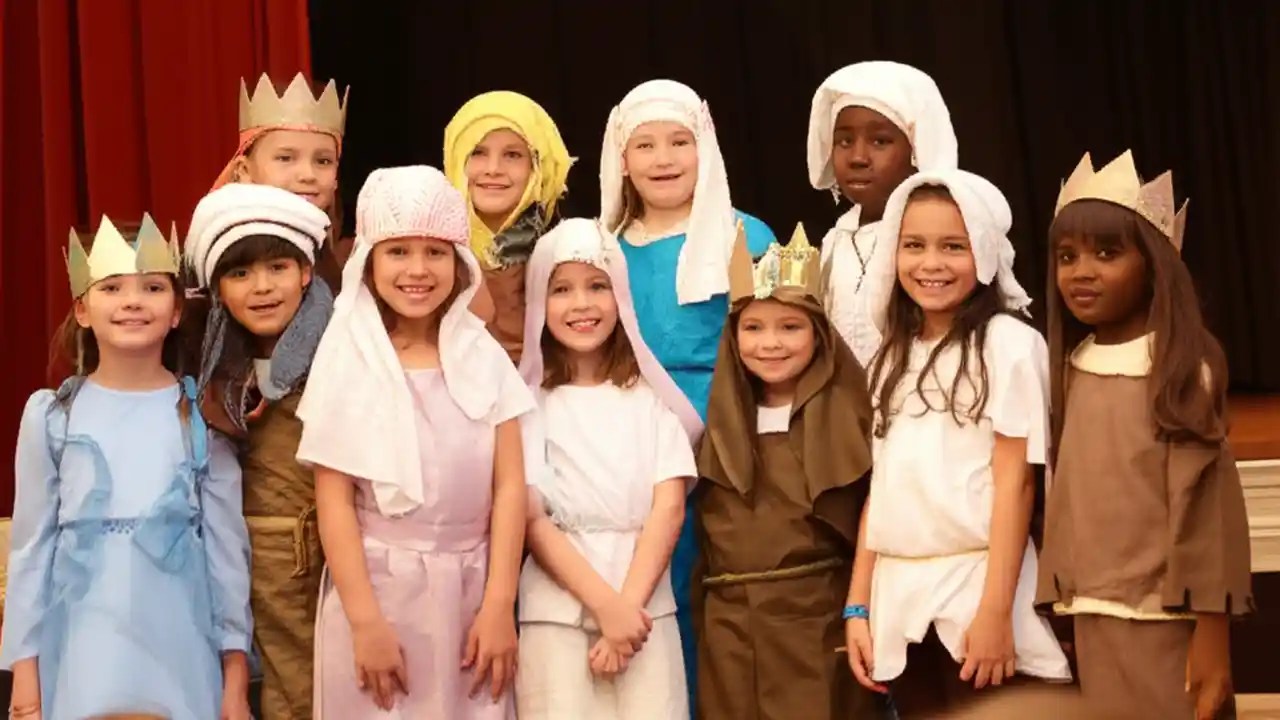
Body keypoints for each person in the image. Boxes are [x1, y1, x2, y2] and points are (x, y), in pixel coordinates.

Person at [297, 166, 533, 718]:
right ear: (370, 262)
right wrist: (364, 621)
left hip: (474, 596)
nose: (418, 270)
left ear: (459, 263)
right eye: (398, 251)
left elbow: (510, 487)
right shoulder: (347, 360)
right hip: (379, 595)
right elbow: (334, 503)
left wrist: (500, 602)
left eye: (435, 252)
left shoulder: (484, 357)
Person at [1, 217, 252, 719]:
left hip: (181, 648)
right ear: (82, 309)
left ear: (177, 310)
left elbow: (228, 554)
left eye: (153, 287)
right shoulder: (53, 417)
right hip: (79, 651)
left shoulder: (203, 417)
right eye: (112, 287)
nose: (133, 301)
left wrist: (236, 678)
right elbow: (31, 549)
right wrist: (24, 674)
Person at [844, 170, 1071, 718]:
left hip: (979, 592)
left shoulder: (1010, 344)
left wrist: (996, 613)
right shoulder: (888, 358)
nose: (931, 264)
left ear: (987, 252)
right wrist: (858, 604)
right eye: (914, 246)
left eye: (954, 246)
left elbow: (1017, 483)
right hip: (898, 601)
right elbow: (884, 488)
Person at [1038, 151, 1253, 719]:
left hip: (1166, 619)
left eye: (1107, 253)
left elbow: (1209, 517)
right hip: (1093, 616)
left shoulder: (1179, 373)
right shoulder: (1073, 366)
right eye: (1067, 256)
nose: (1082, 271)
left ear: (1154, 264)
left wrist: (1212, 633)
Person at [598, 79, 776, 696]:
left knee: (720, 588)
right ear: (622, 159)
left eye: (679, 141)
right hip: (632, 441)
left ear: (706, 148)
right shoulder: (605, 248)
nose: (664, 158)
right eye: (645, 145)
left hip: (728, 437)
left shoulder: (746, 238)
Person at [514, 217, 701, 718]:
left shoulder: (651, 401)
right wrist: (604, 607)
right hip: (555, 615)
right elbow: (532, 519)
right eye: (562, 290)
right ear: (539, 302)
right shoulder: (525, 406)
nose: (581, 305)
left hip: (645, 614)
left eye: (598, 287)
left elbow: (668, 510)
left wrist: (626, 613)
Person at [696, 223, 882, 719]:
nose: (770, 343)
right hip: (732, 625)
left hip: (819, 619)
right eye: (753, 327)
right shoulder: (718, 425)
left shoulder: (854, 415)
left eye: (790, 327)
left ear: (818, 335)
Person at [185, 183, 333, 719]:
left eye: (277, 267)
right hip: (243, 559)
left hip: (332, 556)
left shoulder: (344, 353)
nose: (262, 287)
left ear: (306, 273)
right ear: (218, 289)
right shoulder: (212, 369)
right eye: (240, 273)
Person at [807, 61, 957, 365]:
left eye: (880, 141)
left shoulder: (946, 236)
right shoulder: (835, 241)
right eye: (845, 141)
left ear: (917, 149)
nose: (858, 157)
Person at [443, 90, 572, 362]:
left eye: (512, 155)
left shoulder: (565, 255)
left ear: (537, 167)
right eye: (477, 152)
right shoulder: (433, 254)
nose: (493, 168)